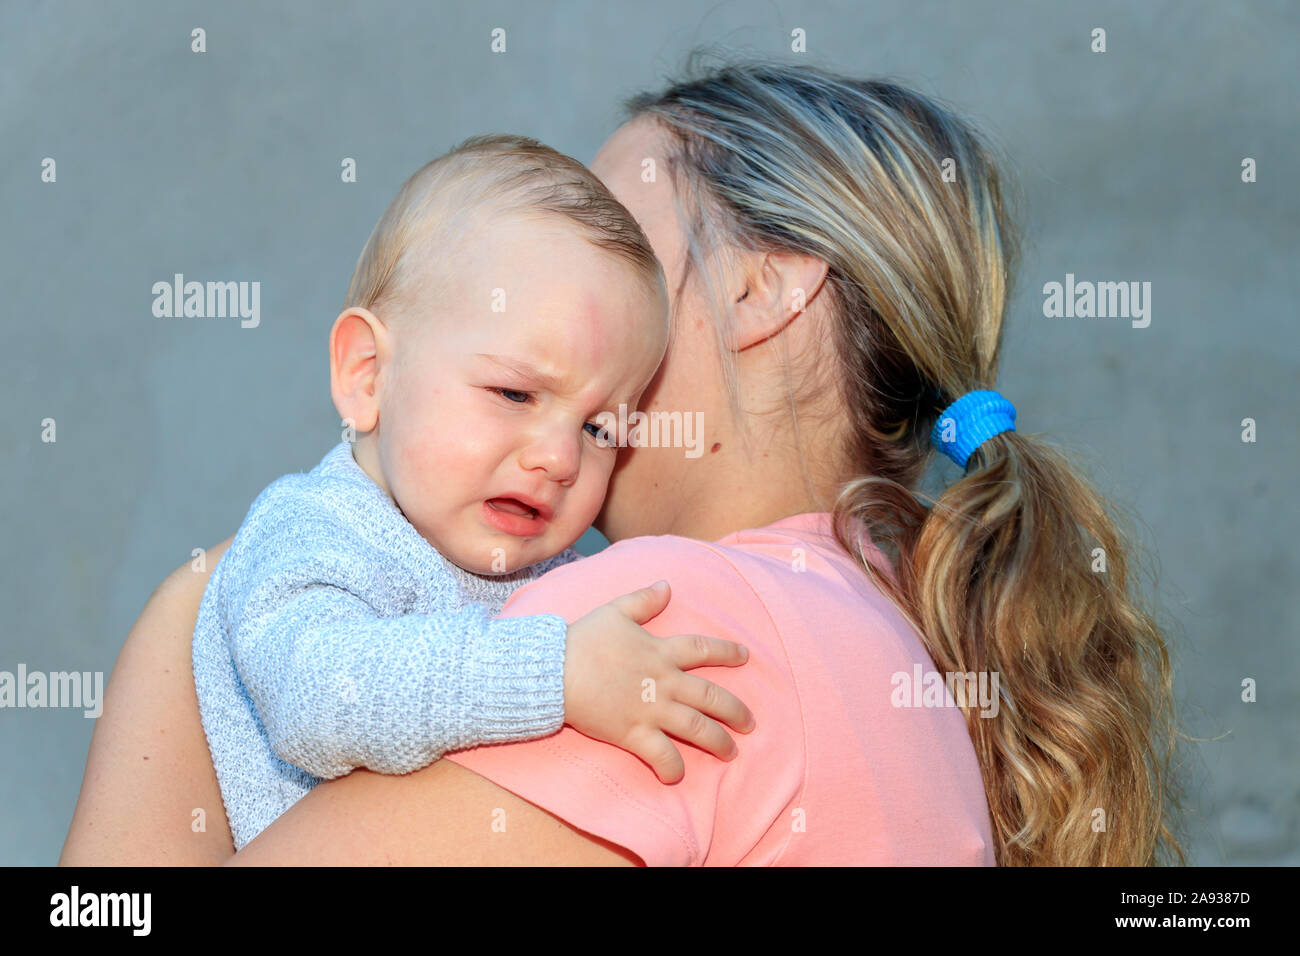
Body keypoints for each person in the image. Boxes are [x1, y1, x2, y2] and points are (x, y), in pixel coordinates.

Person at [60, 58, 1182, 866]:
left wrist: (193, 612)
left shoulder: (674, 621)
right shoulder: (898, 629)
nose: (564, 290)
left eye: (616, 239)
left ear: (762, 288)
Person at [193, 133, 756, 851]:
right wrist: (553, 672)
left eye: (599, 429)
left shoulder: (567, 579)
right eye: (515, 392)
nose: (557, 458)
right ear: (368, 376)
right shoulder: (312, 528)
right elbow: (317, 701)